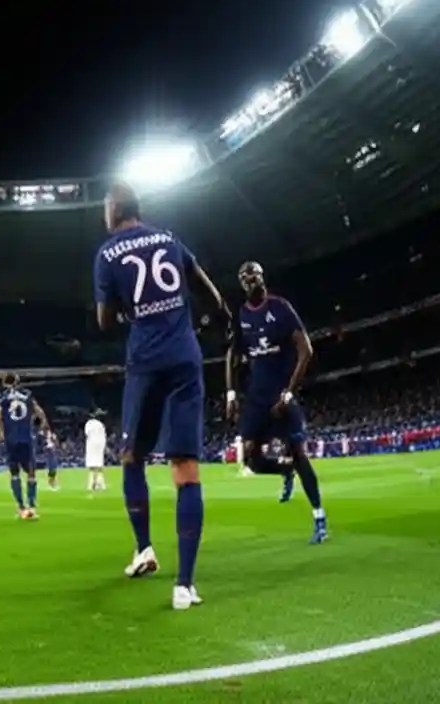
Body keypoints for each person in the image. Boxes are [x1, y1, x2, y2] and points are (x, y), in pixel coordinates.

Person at [93, 182, 229, 611]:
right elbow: (210, 291)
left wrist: (130, 309)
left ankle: (145, 548)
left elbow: (105, 323)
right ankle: (185, 585)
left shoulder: (107, 254)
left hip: (147, 362)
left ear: (114, 211)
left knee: (132, 455)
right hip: (185, 358)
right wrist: (211, 319)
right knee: (186, 470)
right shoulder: (170, 239)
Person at [226, 261, 327, 544]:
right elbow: (232, 356)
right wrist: (231, 393)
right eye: (245, 279)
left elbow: (305, 349)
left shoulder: (280, 308)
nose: (251, 282)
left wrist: (289, 393)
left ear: (262, 278)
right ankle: (285, 472)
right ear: (242, 284)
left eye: (254, 276)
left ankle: (319, 516)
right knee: (252, 460)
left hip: (281, 394)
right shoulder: (242, 316)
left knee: (299, 453)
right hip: (256, 398)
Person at [0, 373, 52, 520]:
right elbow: (39, 411)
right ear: (18, 382)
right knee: (31, 473)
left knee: (14, 474)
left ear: (4, 383)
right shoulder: (27, 395)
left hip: (11, 440)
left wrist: (0, 430)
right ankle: (32, 506)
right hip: (26, 438)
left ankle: (21, 507)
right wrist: (43, 425)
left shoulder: (3, 397)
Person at [84, 414, 108, 492]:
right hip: (100, 444)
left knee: (92, 466)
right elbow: (104, 435)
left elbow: (87, 433)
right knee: (99, 465)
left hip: (92, 444)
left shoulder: (89, 423)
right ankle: (100, 484)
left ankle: (91, 484)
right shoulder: (101, 424)